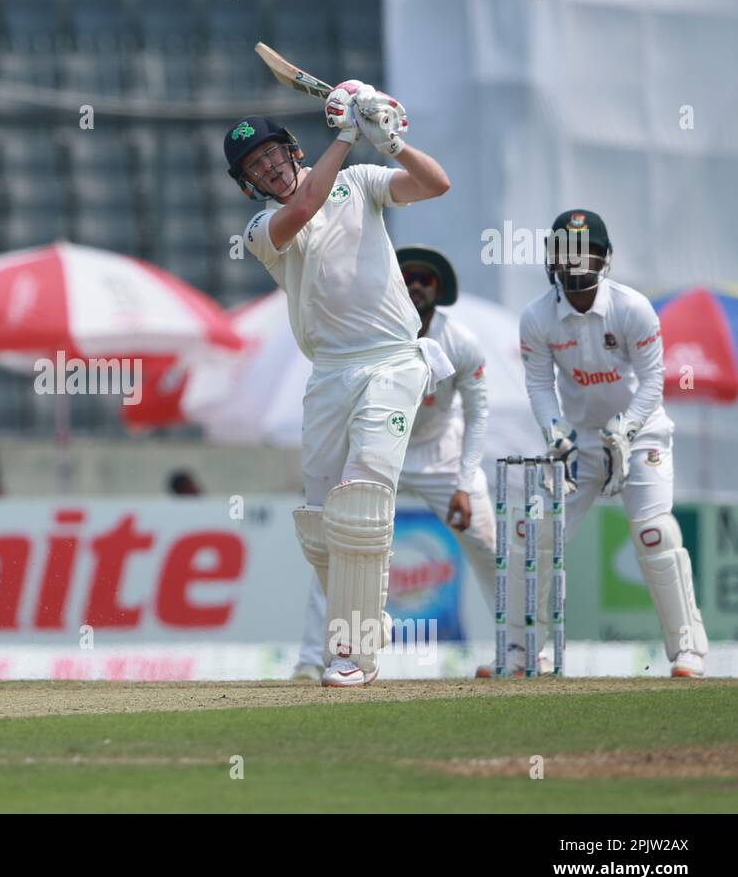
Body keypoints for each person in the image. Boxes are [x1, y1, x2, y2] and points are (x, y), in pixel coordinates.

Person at [226, 78, 453, 688]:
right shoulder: (261, 230)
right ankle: (360, 628)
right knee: (321, 521)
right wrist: (350, 136)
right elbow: (302, 210)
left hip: (391, 360)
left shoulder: (360, 183)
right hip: (328, 373)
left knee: (361, 496)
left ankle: (353, 654)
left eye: (274, 153)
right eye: (256, 166)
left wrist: (392, 142)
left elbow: (436, 184)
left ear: (293, 150)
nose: (270, 168)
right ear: (249, 184)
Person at [489, 209, 706, 677]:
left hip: (640, 432)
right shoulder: (537, 317)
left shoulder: (632, 308)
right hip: (580, 442)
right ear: (551, 260)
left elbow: (653, 380)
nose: (575, 265)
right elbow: (539, 385)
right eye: (565, 254)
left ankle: (688, 650)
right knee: (537, 533)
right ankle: (525, 651)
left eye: (585, 254)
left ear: (605, 259)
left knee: (654, 533)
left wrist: (625, 430)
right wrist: (555, 434)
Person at [292, 246, 495, 680]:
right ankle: (313, 658)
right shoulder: (367, 333)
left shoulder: (460, 341)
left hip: (440, 454)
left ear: (438, 291)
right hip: (381, 448)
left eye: (427, 280)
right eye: (408, 279)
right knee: (339, 544)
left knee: (489, 548)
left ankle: (515, 651)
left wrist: (462, 481)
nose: (417, 286)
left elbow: (478, 413)